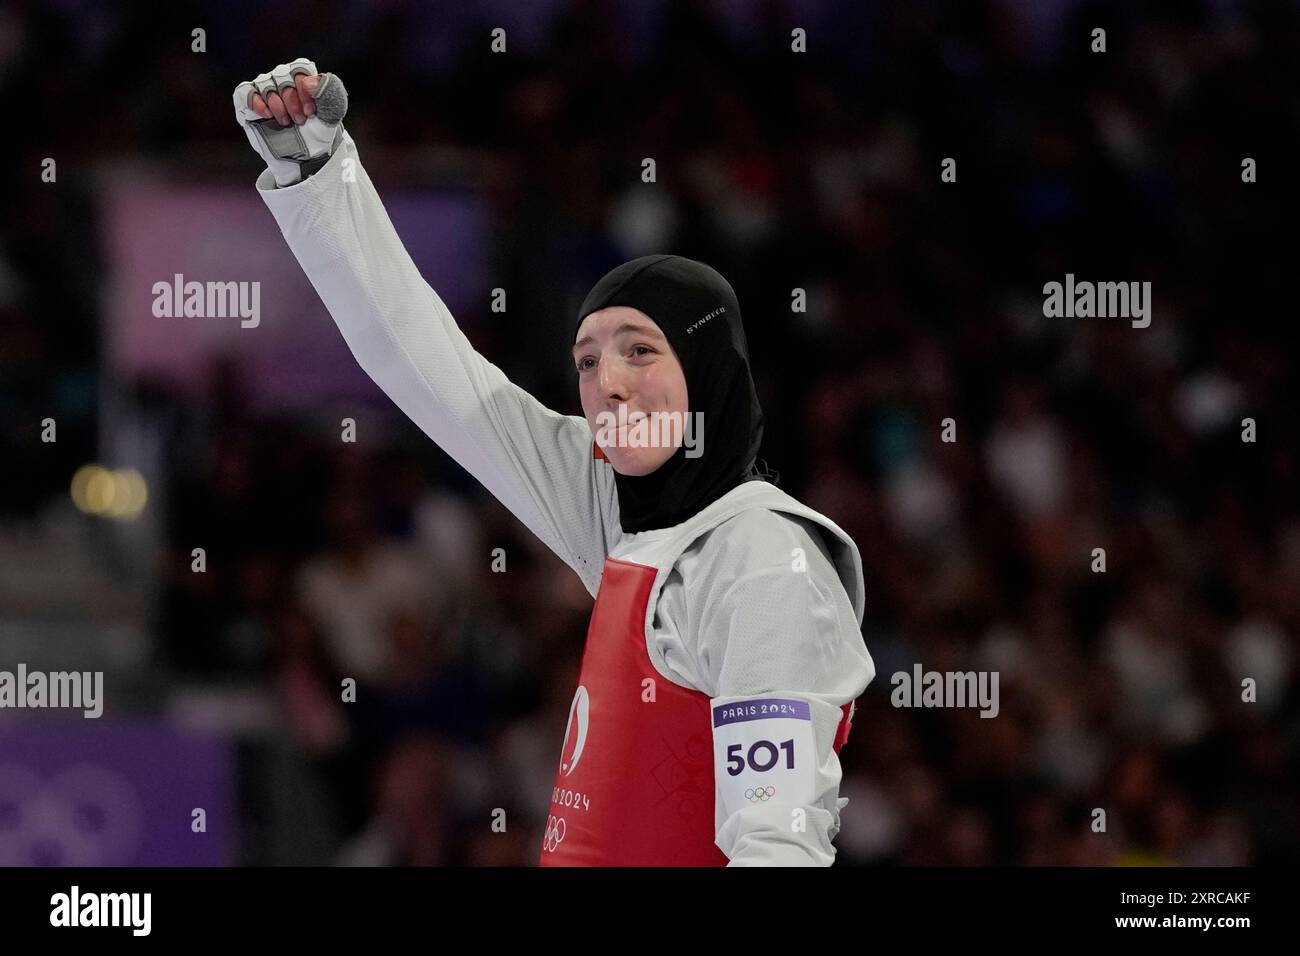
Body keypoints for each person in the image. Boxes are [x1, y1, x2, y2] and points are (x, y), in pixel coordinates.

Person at [233, 59, 876, 866]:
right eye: (587, 360)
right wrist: (317, 177)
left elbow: (776, 845)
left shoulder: (762, 565)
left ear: (710, 371)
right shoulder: (613, 505)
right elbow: (428, 371)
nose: (607, 382)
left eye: (641, 350)